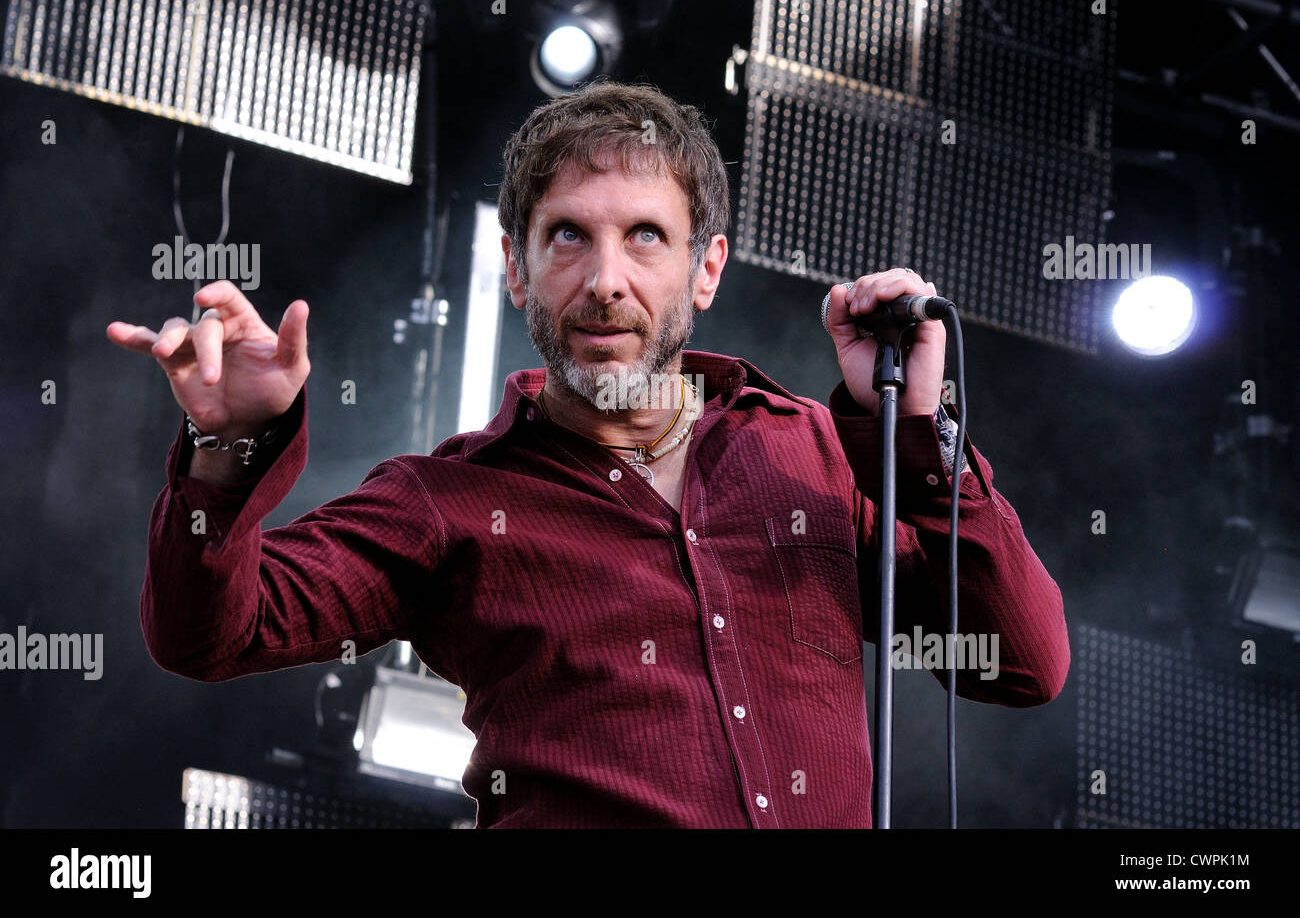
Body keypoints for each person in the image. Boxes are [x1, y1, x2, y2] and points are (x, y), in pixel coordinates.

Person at [106, 80, 1069, 828]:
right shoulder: (443, 501)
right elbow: (208, 636)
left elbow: (1022, 663)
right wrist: (226, 445)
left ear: (706, 269)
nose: (606, 280)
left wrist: (921, 427)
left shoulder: (810, 455)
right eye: (569, 235)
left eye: (646, 236)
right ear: (517, 265)